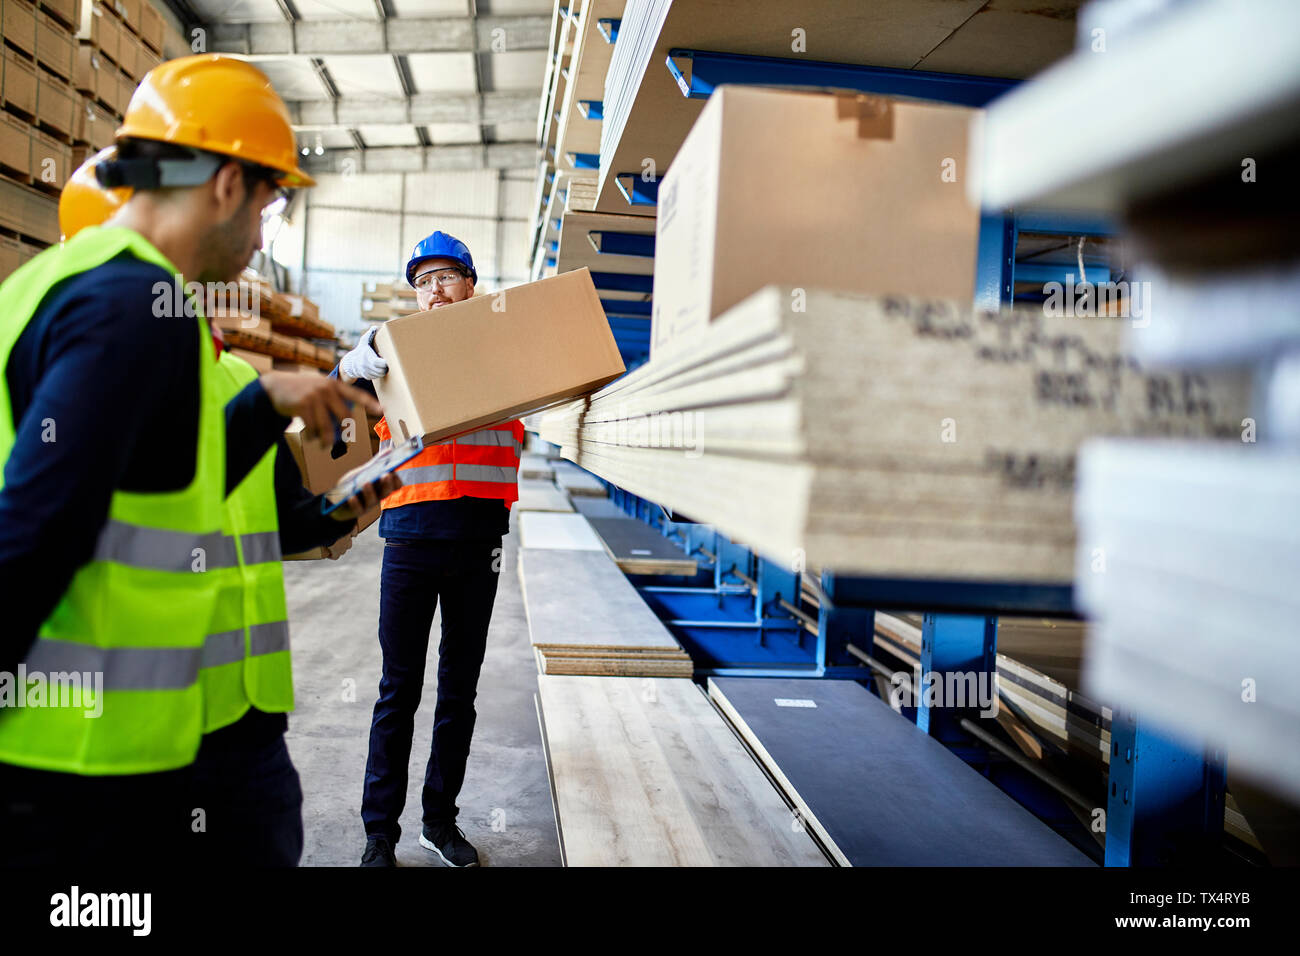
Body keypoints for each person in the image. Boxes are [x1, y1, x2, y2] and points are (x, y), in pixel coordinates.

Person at [0, 55, 389, 867]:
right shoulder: (134, 310)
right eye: (267, 208)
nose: (259, 238)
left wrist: (259, 404)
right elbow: (33, 535)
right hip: (83, 770)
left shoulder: (53, 285)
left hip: (91, 756)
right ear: (224, 184)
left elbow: (146, 490)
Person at [338, 232, 524, 867]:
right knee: (399, 689)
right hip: (410, 538)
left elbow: (561, 378)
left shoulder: (505, 345)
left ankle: (439, 823)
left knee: (459, 689)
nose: (435, 290)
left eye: (446, 277)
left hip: (479, 541)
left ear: (471, 284)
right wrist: (347, 363)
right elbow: (333, 414)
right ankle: (378, 835)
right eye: (423, 282)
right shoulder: (391, 355)